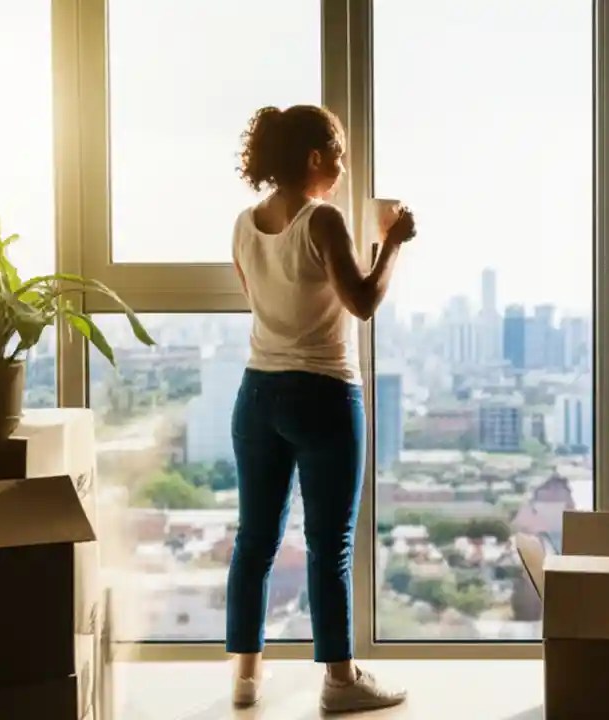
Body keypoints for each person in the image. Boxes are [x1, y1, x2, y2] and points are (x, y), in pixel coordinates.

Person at [226, 104, 416, 713]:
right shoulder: (322, 220)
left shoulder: (242, 224)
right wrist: (391, 245)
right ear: (313, 157)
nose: (341, 166)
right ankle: (339, 680)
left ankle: (246, 679)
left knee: (253, 539)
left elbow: (259, 297)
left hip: (257, 393)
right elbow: (360, 301)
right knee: (327, 543)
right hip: (324, 393)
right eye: (336, 152)